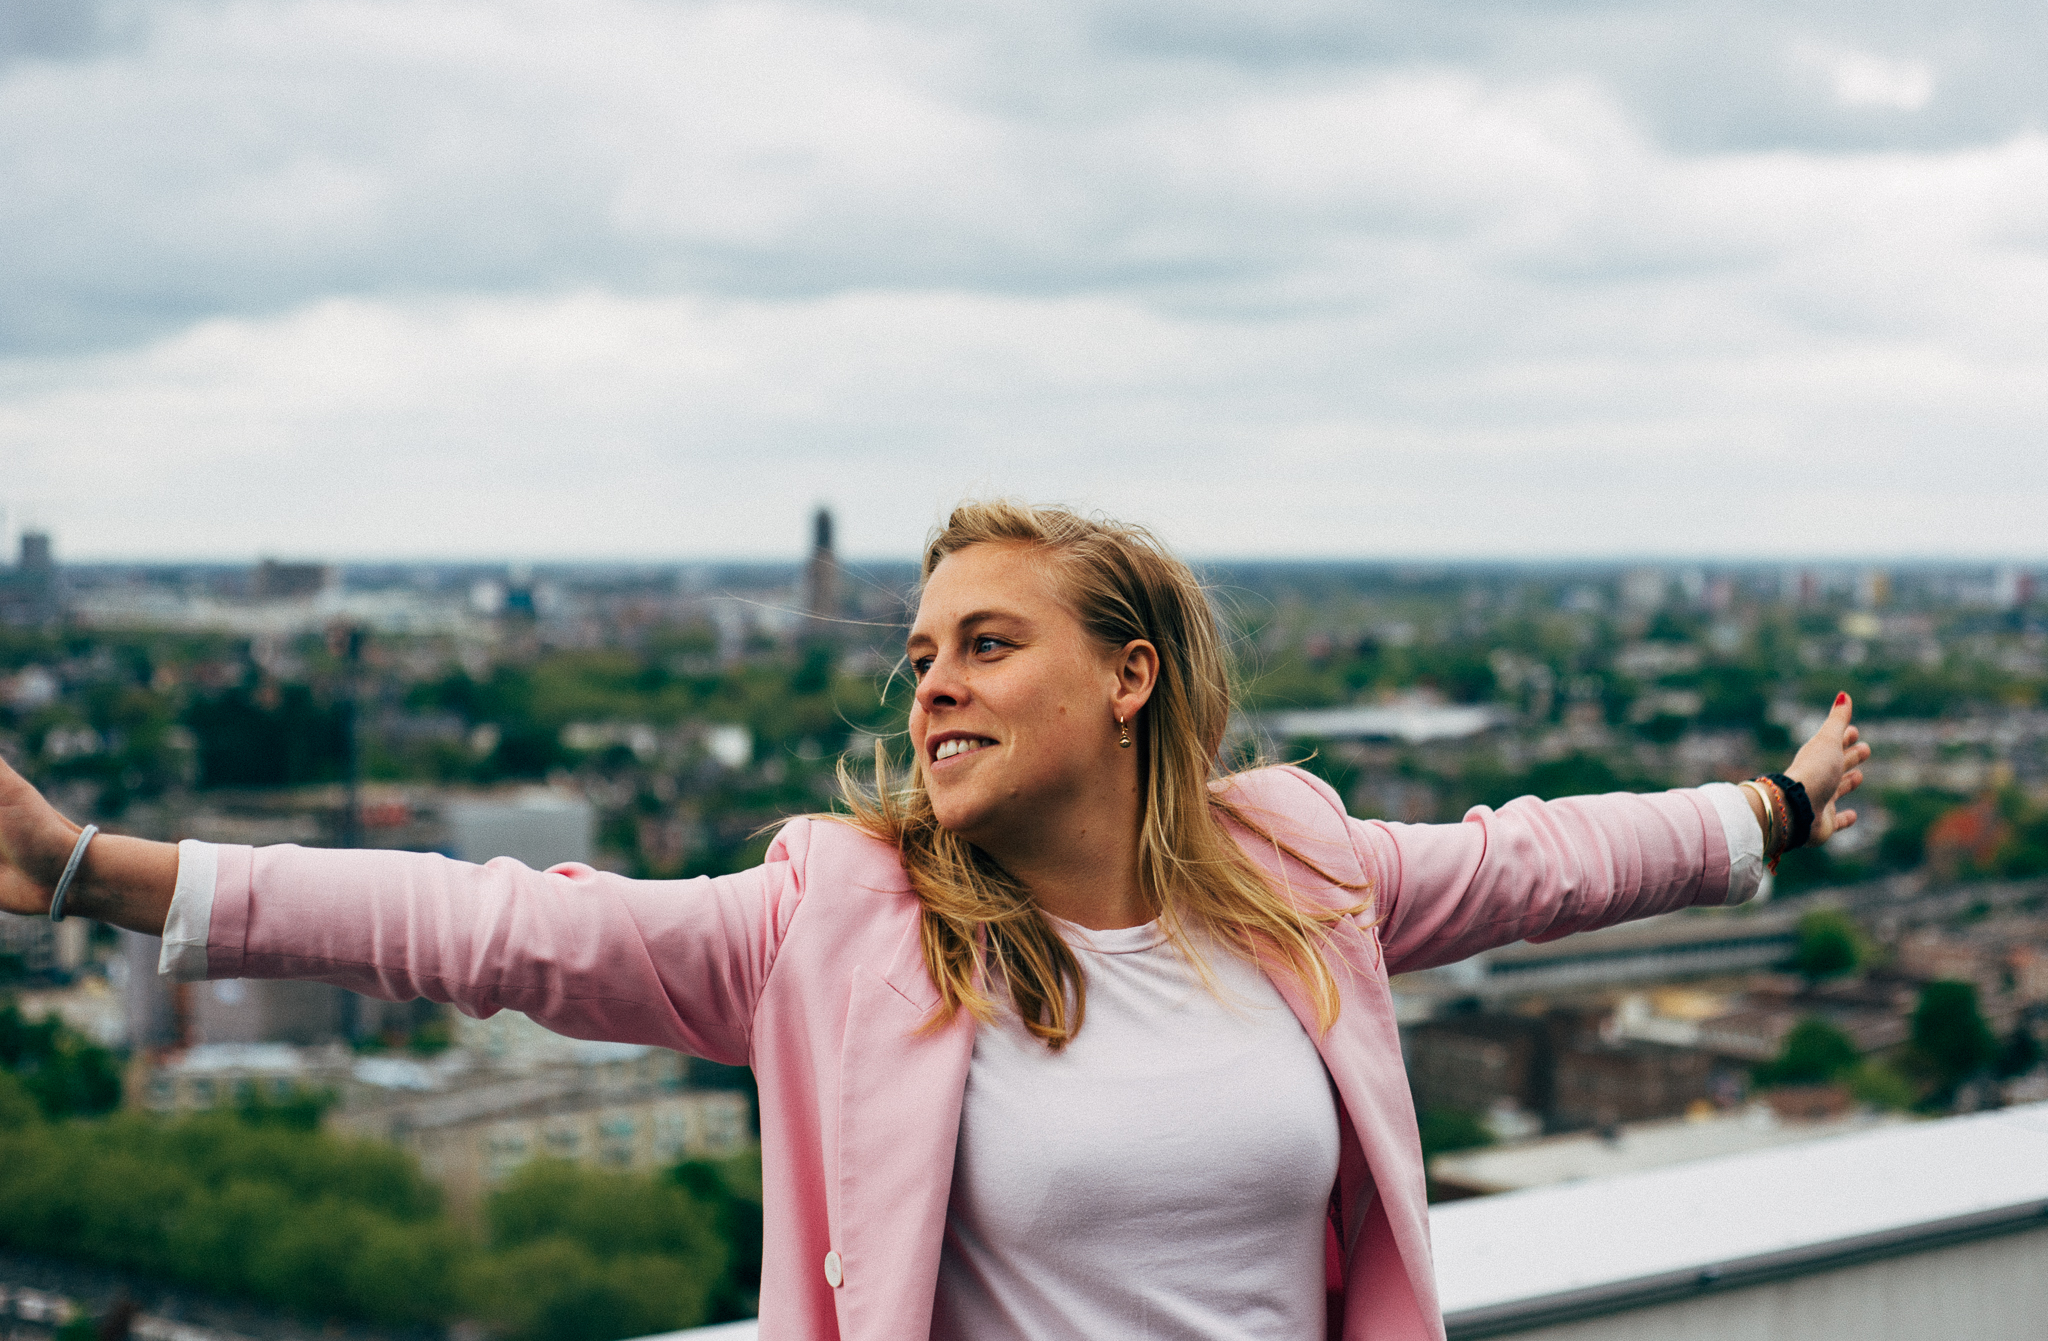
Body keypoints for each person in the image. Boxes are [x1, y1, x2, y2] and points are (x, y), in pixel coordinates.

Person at [0, 501, 1869, 1341]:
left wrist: (1762, 812)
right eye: (919, 658)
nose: (933, 690)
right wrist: (98, 868)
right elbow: (493, 925)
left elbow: (1538, 860)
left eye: (988, 645)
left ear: (1131, 679)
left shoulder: (1298, 870)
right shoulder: (840, 923)